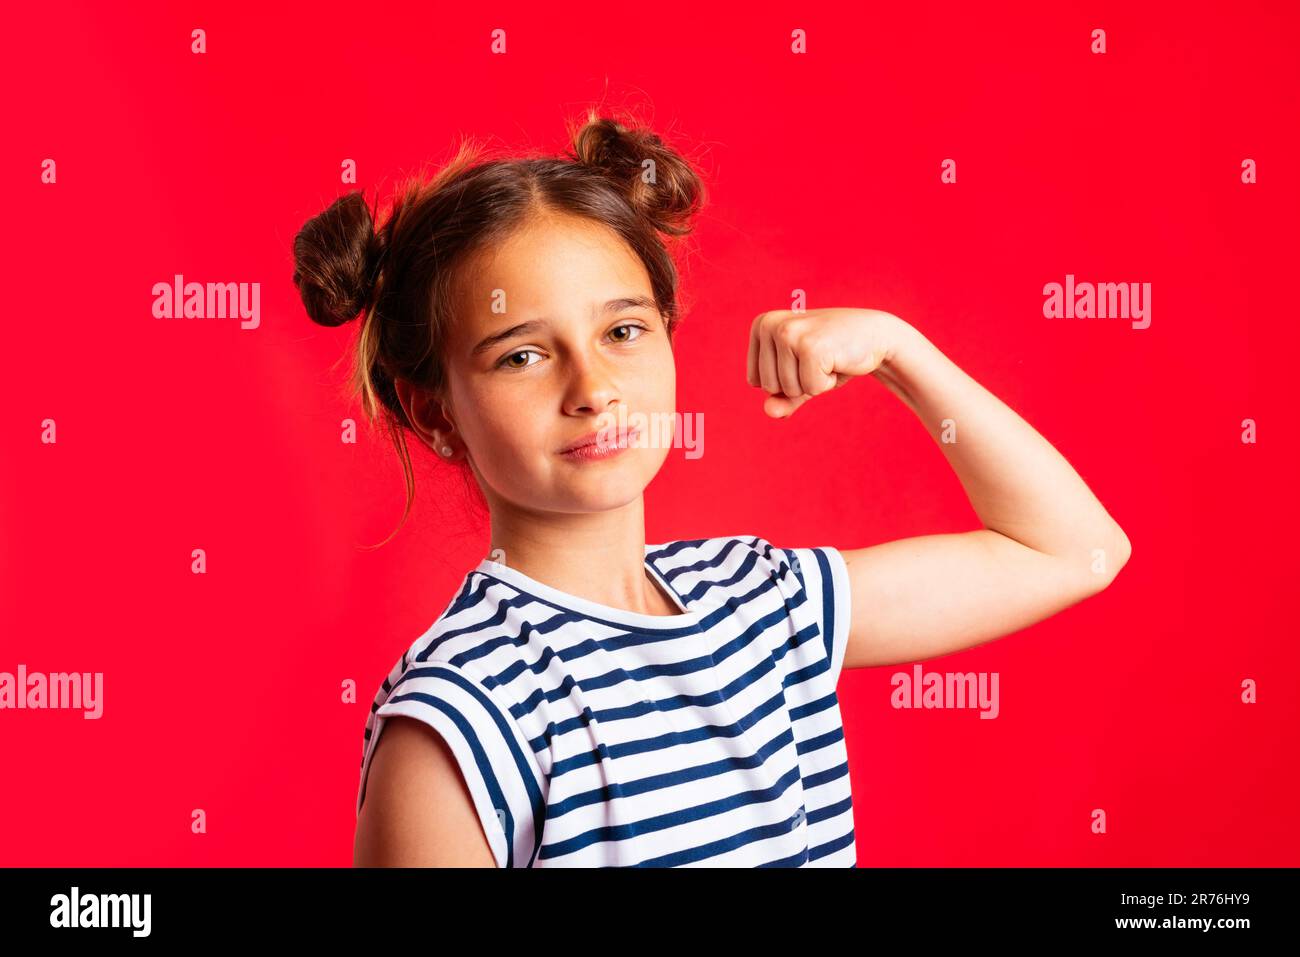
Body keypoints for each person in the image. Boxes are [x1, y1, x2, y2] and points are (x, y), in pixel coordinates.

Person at [291, 110, 1131, 868]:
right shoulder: (462, 714)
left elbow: (1073, 549)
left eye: (623, 330)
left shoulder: (762, 603)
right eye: (522, 354)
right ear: (436, 412)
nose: (594, 387)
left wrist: (901, 352)